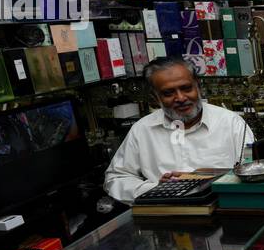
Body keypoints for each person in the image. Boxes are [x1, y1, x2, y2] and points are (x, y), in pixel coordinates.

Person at [103, 56, 254, 202]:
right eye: (168, 93)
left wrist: (207, 183)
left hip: (223, 212)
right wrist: (157, 189)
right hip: (165, 217)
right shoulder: (142, 130)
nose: (181, 98)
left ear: (198, 86)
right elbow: (116, 178)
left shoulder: (231, 123)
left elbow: (253, 170)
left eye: (186, 88)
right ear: (155, 97)